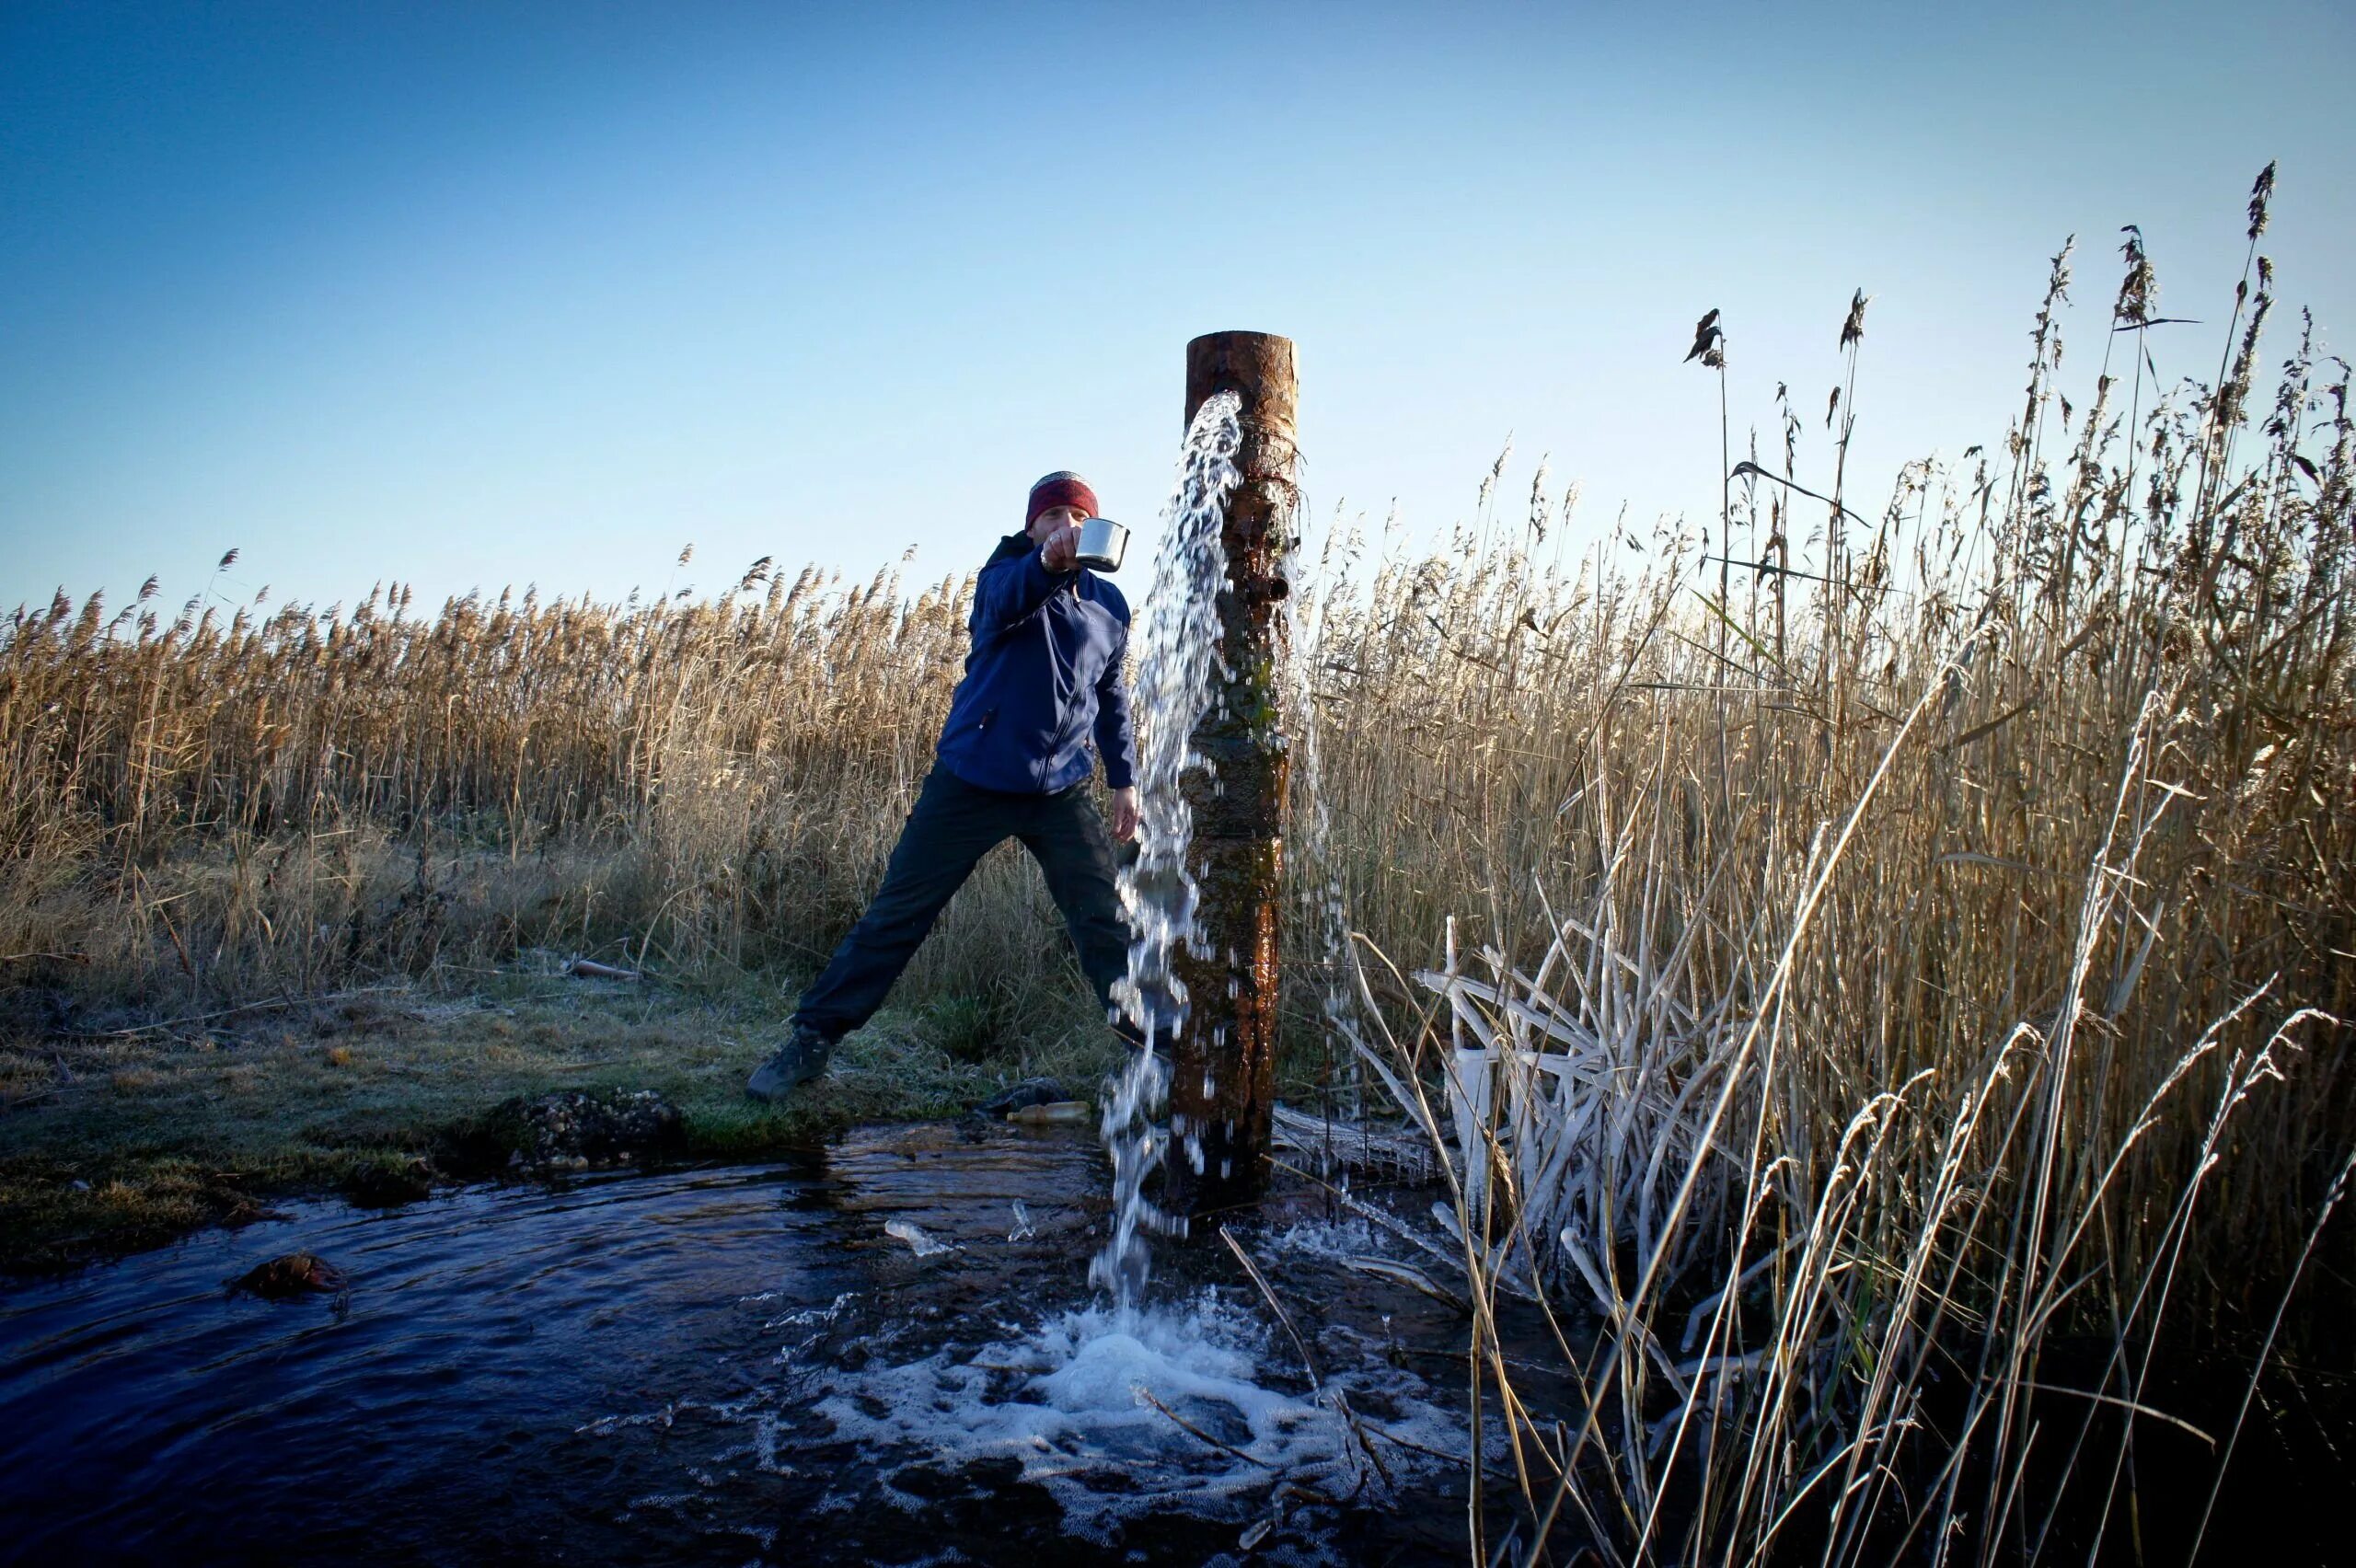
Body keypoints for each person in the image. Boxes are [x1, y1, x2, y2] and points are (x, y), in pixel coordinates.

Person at [745, 471, 1142, 1102]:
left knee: (1104, 922)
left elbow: (1112, 697)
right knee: (898, 916)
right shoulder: (1007, 573)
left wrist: (1124, 782)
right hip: (974, 778)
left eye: (1079, 515)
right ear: (1032, 523)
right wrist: (1046, 562)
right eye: (1054, 515)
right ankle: (810, 1041)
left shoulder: (1109, 605)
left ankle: (1147, 1052)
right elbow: (1006, 603)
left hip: (1062, 791)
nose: (1067, 525)